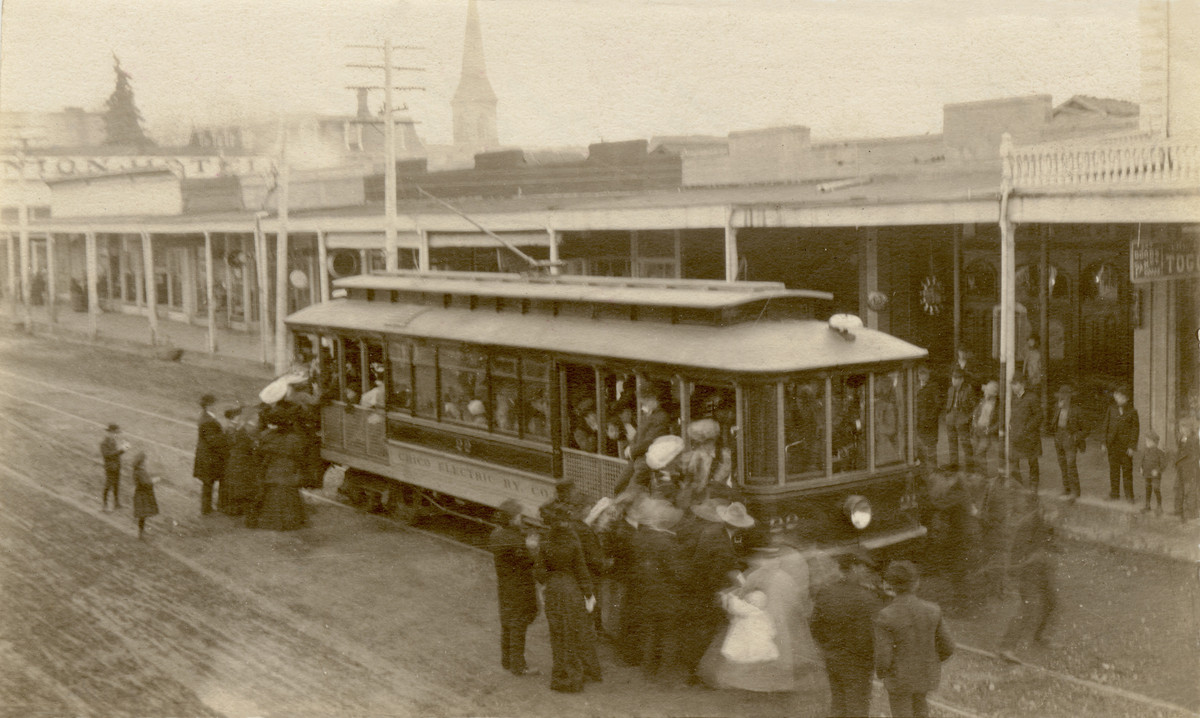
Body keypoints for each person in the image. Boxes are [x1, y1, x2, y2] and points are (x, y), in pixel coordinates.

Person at [678, 500, 753, 683]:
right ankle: (697, 672)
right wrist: (746, 584)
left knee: (701, 629)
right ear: (738, 526)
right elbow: (728, 568)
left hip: (698, 585)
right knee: (706, 630)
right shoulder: (721, 542)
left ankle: (694, 669)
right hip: (707, 589)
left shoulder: (714, 531)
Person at [875, 561, 955, 718]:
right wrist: (930, 661)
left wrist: (882, 673)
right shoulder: (933, 610)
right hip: (925, 676)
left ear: (891, 585)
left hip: (900, 679)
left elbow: (884, 657)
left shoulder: (886, 615)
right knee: (921, 711)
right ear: (916, 583)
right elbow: (948, 647)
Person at [536, 503, 602, 693]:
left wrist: (549, 580)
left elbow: (539, 572)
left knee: (558, 634)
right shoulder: (573, 541)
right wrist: (588, 594)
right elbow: (581, 569)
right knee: (576, 632)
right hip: (572, 590)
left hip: (553, 591)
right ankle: (582, 673)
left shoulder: (545, 541)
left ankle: (562, 677)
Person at [811, 550, 884, 718]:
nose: (867, 571)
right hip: (858, 663)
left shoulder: (826, 592)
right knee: (857, 707)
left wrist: (828, 648)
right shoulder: (868, 599)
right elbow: (874, 636)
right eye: (864, 567)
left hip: (833, 658)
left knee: (838, 703)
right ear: (854, 567)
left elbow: (814, 627)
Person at [489, 499, 540, 676]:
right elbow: (530, 561)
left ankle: (507, 660)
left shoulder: (497, 534)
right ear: (511, 519)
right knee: (519, 624)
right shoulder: (515, 540)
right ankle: (519, 666)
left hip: (505, 585)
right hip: (520, 586)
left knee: (507, 623)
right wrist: (532, 548)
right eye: (518, 516)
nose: (521, 518)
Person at [999, 508, 1056, 662]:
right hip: (1026, 569)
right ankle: (1006, 648)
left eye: (1055, 514)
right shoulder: (1027, 524)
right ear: (1043, 510)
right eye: (1051, 514)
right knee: (1028, 607)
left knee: (1051, 601)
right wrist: (1017, 570)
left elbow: (1048, 542)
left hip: (1041, 567)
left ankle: (1040, 635)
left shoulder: (1047, 521)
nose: (1053, 518)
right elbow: (1017, 551)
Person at [246, 406, 307, 531]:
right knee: (288, 493)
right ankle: (291, 521)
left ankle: (271, 520)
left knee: (270, 493)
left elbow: (258, 454)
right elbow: (300, 455)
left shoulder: (267, 436)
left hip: (272, 469)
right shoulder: (295, 438)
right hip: (289, 469)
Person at [220, 407, 260, 516]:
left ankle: (232, 508)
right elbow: (236, 442)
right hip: (237, 459)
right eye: (238, 416)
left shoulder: (234, 428)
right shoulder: (233, 429)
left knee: (235, 484)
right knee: (237, 484)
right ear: (234, 417)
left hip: (234, 459)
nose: (239, 417)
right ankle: (234, 509)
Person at [1102, 386, 1140, 502]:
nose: (1118, 399)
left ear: (1127, 398)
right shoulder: (1111, 409)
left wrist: (1132, 446)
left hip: (1125, 447)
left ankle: (1129, 496)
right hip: (1113, 445)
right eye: (1117, 396)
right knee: (1114, 470)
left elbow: (1135, 430)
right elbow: (1105, 426)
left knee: (1127, 471)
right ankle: (1114, 494)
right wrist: (1104, 443)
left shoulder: (1132, 412)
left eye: (1121, 397)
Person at [192, 393, 228, 515]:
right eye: (214, 404)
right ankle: (206, 509)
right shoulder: (208, 421)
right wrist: (226, 437)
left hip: (206, 456)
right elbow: (213, 440)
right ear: (208, 405)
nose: (216, 406)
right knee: (208, 483)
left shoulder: (206, 417)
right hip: (209, 457)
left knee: (208, 483)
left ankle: (207, 508)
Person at [1051, 385, 1085, 500]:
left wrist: (1076, 437)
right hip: (1059, 438)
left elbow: (1086, 428)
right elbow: (1053, 423)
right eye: (1061, 397)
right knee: (1062, 464)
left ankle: (1075, 491)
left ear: (1070, 397)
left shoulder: (1076, 410)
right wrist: (1058, 409)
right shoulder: (1057, 408)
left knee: (1071, 465)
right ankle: (1067, 489)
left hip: (1070, 439)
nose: (1062, 399)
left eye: (1065, 397)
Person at [1009, 375, 1042, 489]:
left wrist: (1027, 428)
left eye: (1015, 384)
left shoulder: (1032, 397)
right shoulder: (1014, 399)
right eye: (1012, 384)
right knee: (1014, 459)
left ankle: (1034, 485)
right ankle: (1018, 484)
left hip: (1029, 436)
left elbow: (1039, 416)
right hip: (1016, 435)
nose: (1013, 387)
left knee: (1032, 461)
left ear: (1022, 384)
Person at [943, 369, 974, 471]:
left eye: (956, 378)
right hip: (951, 417)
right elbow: (947, 404)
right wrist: (947, 415)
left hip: (962, 418)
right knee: (952, 441)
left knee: (965, 443)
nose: (954, 380)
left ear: (962, 380)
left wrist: (967, 418)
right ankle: (954, 464)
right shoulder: (950, 390)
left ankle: (970, 466)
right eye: (953, 378)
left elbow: (972, 406)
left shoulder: (968, 389)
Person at [970, 380, 1002, 476]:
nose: (985, 392)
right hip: (977, 430)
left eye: (988, 391)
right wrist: (974, 422)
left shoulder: (998, 405)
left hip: (987, 433)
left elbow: (1000, 421)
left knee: (979, 453)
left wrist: (990, 430)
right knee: (977, 454)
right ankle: (981, 475)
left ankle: (984, 476)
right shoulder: (983, 401)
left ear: (994, 394)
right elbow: (975, 413)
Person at [915, 366, 941, 471]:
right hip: (919, 422)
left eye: (924, 374)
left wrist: (930, 418)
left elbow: (938, 404)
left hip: (930, 422)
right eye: (920, 374)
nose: (922, 376)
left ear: (928, 376)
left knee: (931, 446)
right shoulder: (916, 387)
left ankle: (933, 469)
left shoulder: (933, 387)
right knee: (921, 445)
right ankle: (924, 469)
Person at [1174, 418, 1199, 521]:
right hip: (1181, 468)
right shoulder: (1182, 439)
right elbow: (1179, 452)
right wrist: (1176, 462)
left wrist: (1183, 461)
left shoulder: (1194, 439)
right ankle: (1178, 510)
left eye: (1184, 427)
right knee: (1179, 489)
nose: (1182, 429)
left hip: (1190, 469)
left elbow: (1194, 455)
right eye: (1181, 427)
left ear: (1190, 428)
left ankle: (1191, 512)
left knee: (1190, 490)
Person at [131, 452, 159, 540]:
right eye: (145, 460)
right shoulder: (140, 471)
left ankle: (142, 531)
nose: (147, 462)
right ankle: (141, 534)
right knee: (142, 515)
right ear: (142, 461)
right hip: (142, 496)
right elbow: (145, 483)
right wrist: (154, 481)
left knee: (143, 515)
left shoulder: (138, 470)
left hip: (141, 495)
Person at [100, 423, 127, 511]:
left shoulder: (113, 442)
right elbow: (107, 455)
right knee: (108, 485)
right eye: (115, 433)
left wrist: (123, 450)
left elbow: (115, 454)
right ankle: (105, 505)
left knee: (116, 485)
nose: (116, 435)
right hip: (110, 467)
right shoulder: (104, 443)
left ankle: (116, 503)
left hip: (116, 466)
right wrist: (120, 451)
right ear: (110, 432)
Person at [1141, 430, 1166, 515]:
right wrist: (1141, 467)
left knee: (1156, 489)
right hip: (1147, 474)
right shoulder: (1145, 451)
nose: (1146, 442)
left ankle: (1159, 507)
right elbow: (1142, 460)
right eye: (1146, 441)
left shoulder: (1160, 453)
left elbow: (1163, 464)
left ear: (1155, 442)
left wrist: (1157, 470)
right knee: (1148, 489)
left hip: (1155, 476)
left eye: (1149, 441)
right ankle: (1147, 506)